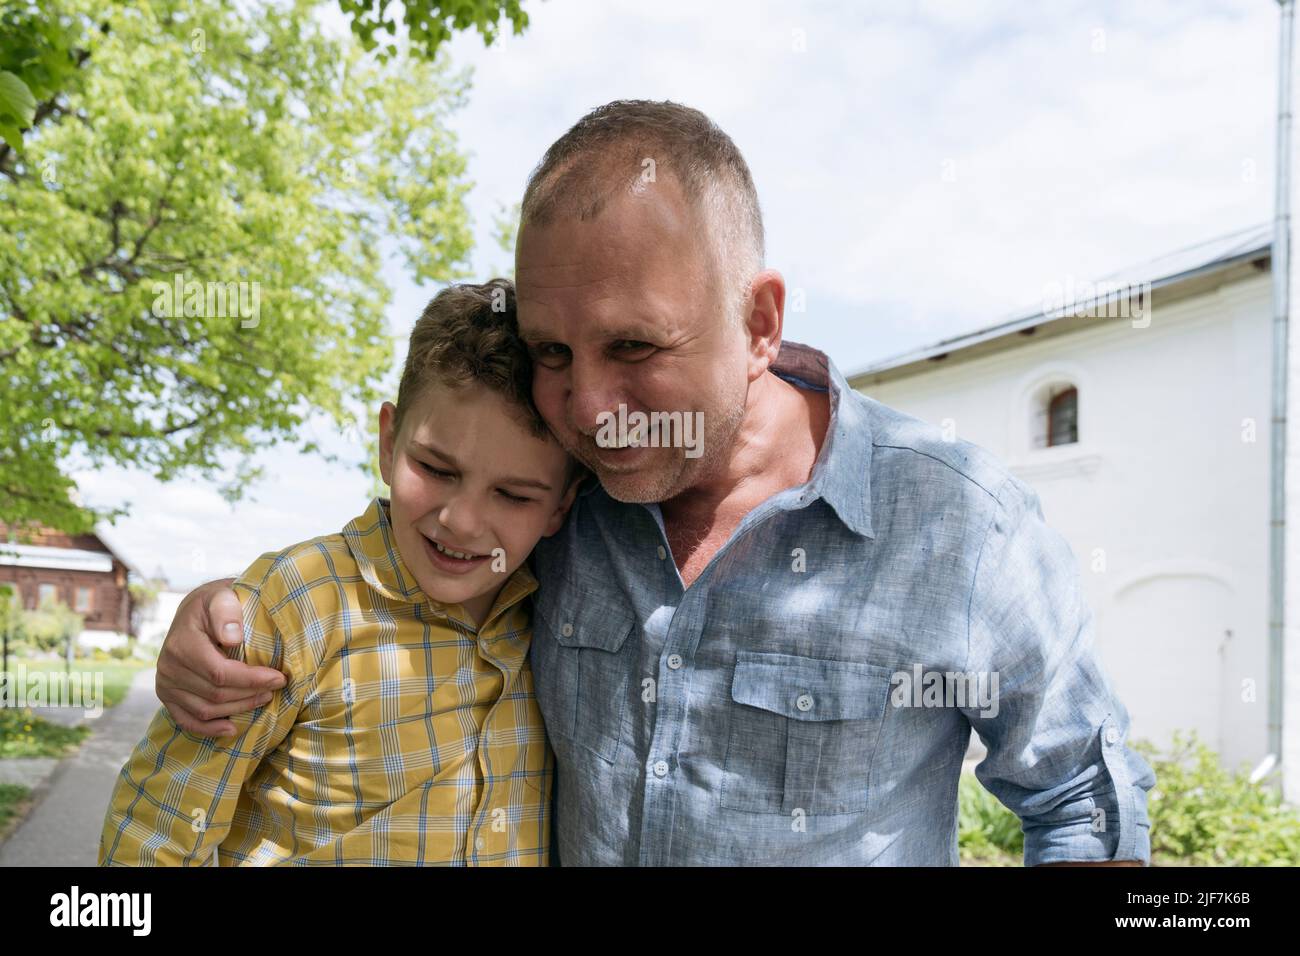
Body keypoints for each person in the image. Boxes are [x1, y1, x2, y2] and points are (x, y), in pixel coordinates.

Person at [152, 100, 1155, 866]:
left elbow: (1078, 799)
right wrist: (227, 618)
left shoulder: (956, 524)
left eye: (635, 344)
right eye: (553, 349)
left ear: (759, 322)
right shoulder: (556, 496)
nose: (587, 406)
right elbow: (406, 568)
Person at [100, 279, 580, 865]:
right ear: (387, 441)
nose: (461, 520)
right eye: (435, 467)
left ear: (562, 505)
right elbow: (156, 833)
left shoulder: (558, 611)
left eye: (513, 494)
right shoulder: (293, 603)